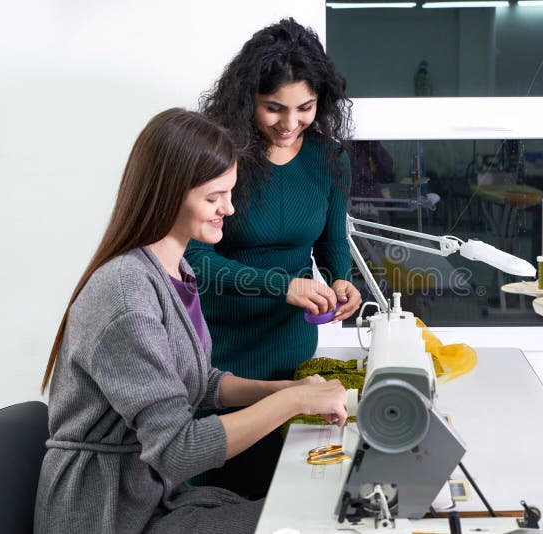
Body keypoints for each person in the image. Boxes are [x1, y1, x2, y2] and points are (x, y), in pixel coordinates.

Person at [35, 108, 347, 534]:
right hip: (106, 512)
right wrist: (294, 403)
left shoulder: (173, 272)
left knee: (311, 513)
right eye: (214, 197)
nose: (229, 208)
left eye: (230, 193)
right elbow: (179, 450)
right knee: (305, 523)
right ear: (169, 192)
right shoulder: (126, 296)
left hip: (152, 495)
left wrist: (289, 389)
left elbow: (200, 383)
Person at [184, 18, 361, 497]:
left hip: (292, 355)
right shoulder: (221, 157)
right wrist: (281, 286)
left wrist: (343, 282)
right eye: (273, 108)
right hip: (224, 360)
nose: (289, 123)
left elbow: (330, 243)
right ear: (248, 102)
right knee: (219, 499)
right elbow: (194, 261)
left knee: (283, 497)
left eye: (305, 107)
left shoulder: (329, 157)